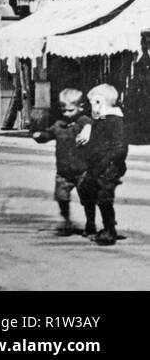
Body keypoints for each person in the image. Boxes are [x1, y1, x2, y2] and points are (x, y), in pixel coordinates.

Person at [31, 88, 92, 236]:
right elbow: (49, 134)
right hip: (63, 171)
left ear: (80, 107)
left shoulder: (83, 121)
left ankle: (91, 222)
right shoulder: (59, 124)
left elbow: (91, 123)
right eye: (64, 110)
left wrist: (88, 129)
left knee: (87, 197)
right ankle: (66, 220)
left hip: (82, 170)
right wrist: (40, 136)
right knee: (61, 196)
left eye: (70, 110)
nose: (66, 114)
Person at [77, 84, 129, 246]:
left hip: (109, 167)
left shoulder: (114, 121)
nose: (91, 106)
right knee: (86, 189)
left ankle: (109, 230)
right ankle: (98, 224)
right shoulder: (101, 119)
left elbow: (120, 147)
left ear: (103, 103)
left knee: (104, 196)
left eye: (95, 102)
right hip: (96, 166)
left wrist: (107, 162)